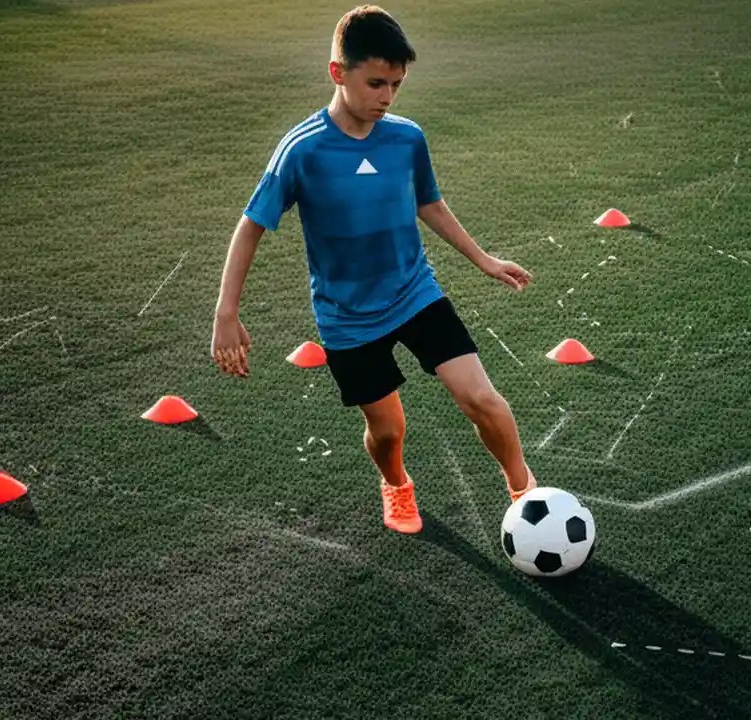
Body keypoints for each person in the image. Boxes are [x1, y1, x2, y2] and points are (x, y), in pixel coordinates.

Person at [211, 5, 536, 535]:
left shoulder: (407, 138)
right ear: (338, 72)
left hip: (416, 293)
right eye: (376, 83)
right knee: (388, 430)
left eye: (397, 85)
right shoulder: (303, 150)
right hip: (347, 319)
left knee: (482, 399)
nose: (386, 97)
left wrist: (484, 260)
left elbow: (429, 203)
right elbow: (250, 228)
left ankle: (525, 490)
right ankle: (397, 485)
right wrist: (227, 314)